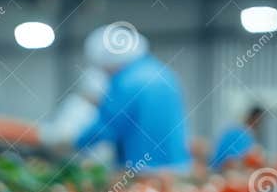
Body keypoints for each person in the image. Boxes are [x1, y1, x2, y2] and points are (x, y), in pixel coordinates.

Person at [75, 23, 191, 174]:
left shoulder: (125, 82)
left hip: (144, 172)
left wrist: (77, 142)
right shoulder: (165, 74)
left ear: (108, 62)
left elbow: (107, 125)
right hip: (178, 167)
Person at [38, 66, 112, 164]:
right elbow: (61, 138)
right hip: (76, 164)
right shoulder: (76, 106)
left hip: (101, 166)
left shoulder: (105, 110)